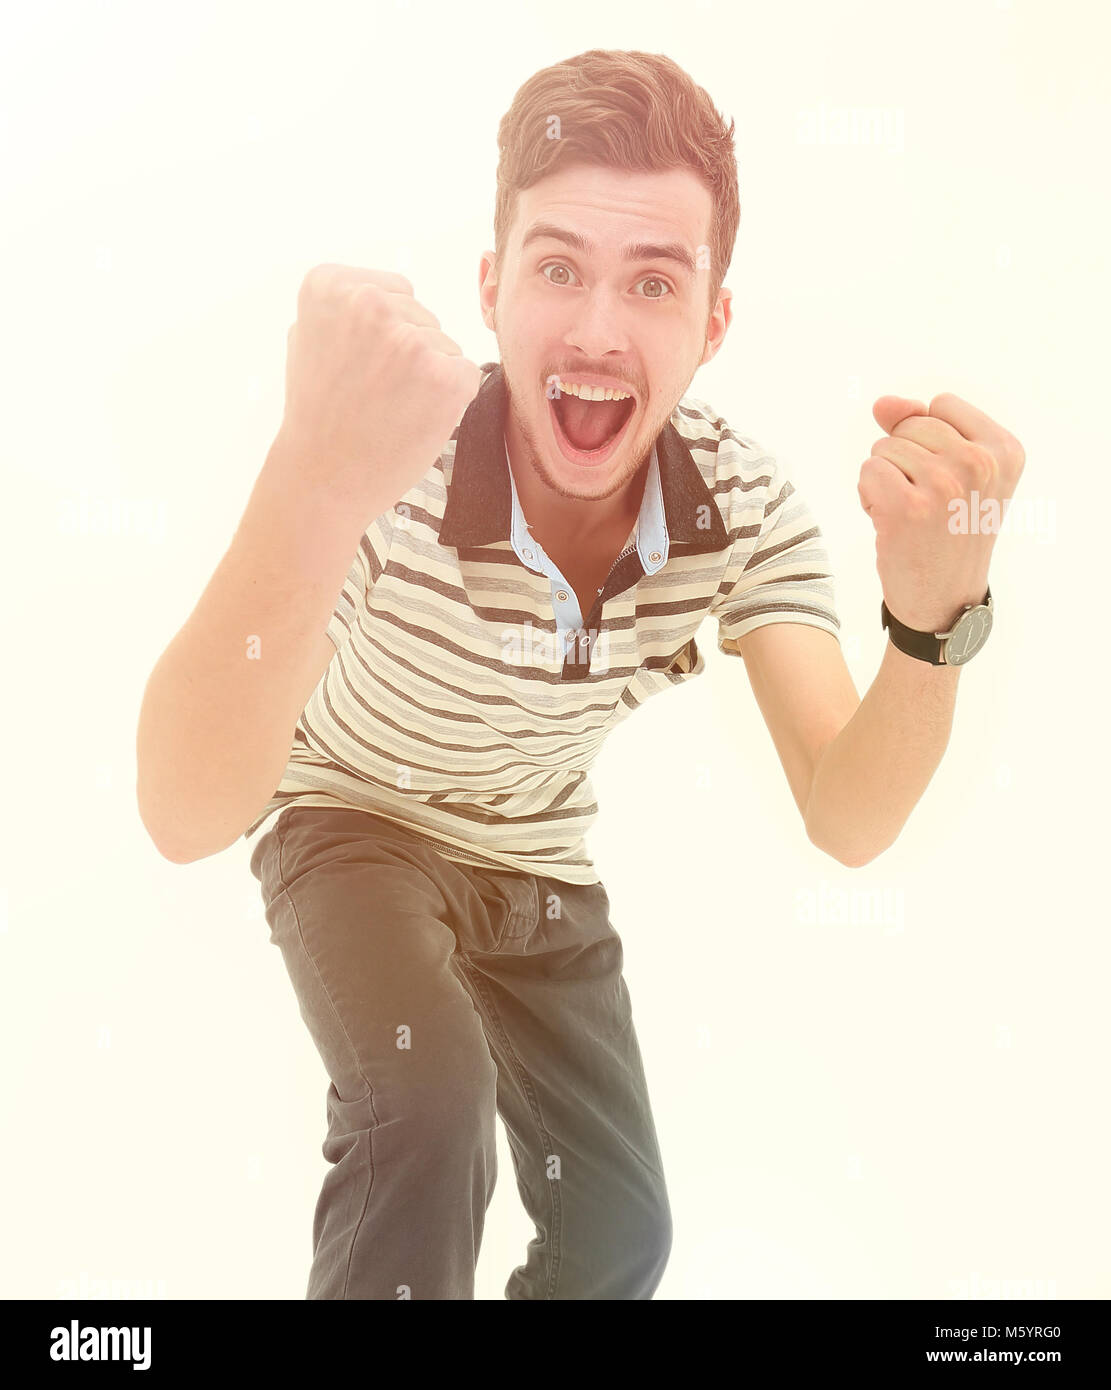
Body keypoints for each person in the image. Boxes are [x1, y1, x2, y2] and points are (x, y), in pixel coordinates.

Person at [136, 48, 1022, 1299]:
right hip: (352, 825)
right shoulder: (398, 456)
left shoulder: (741, 506)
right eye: (558, 268)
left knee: (620, 1233)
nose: (599, 332)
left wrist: (934, 617)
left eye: (653, 281)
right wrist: (309, 471)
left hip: (536, 864)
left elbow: (846, 815)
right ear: (492, 289)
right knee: (427, 1109)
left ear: (713, 323)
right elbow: (182, 811)